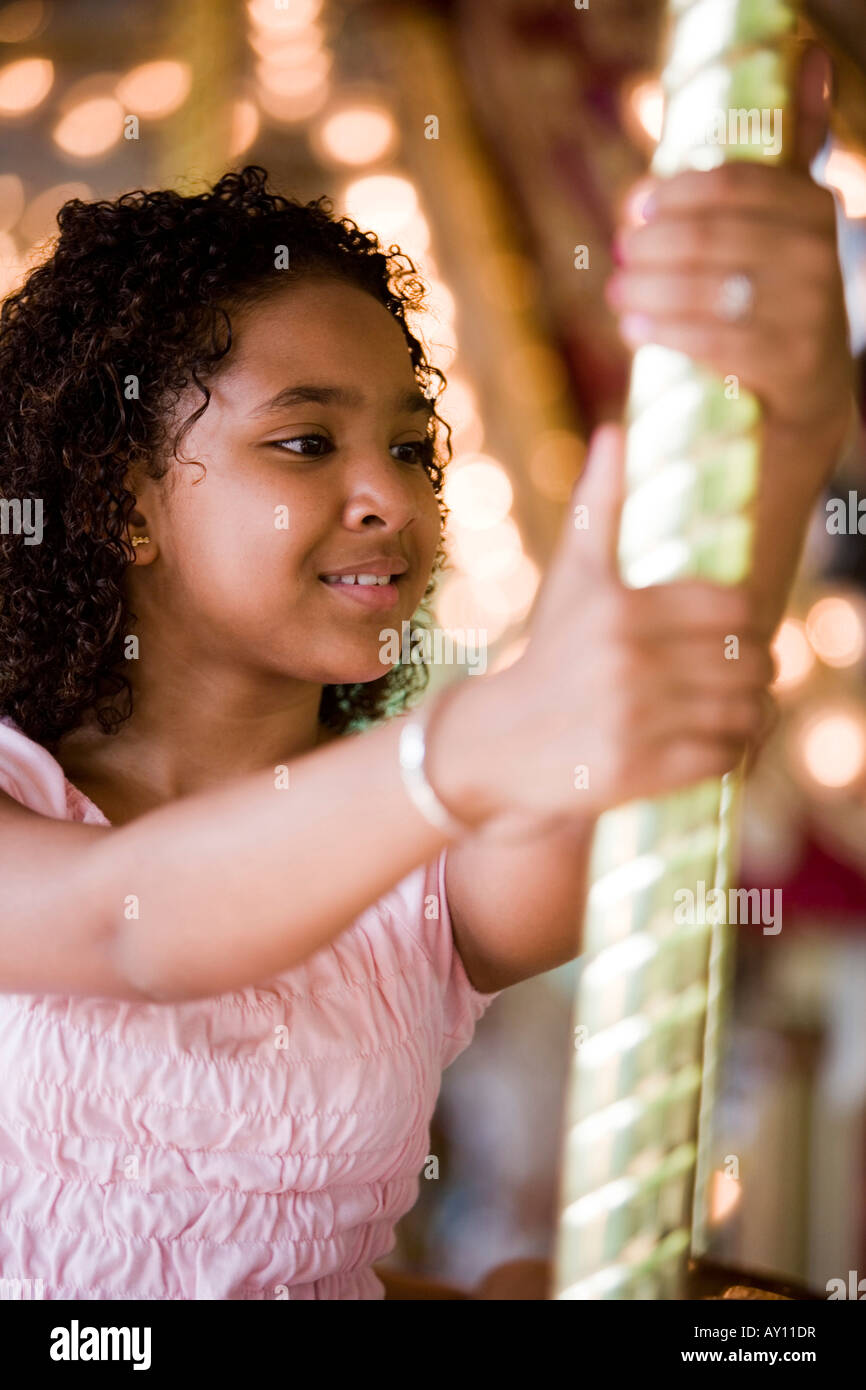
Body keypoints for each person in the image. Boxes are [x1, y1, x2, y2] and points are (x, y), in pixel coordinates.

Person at [0, 49, 853, 1301]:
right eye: (306, 442)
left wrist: (777, 403)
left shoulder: (423, 876)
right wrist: (460, 748)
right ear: (123, 497)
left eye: (410, 446)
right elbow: (132, 923)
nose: (390, 496)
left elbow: (676, 675)